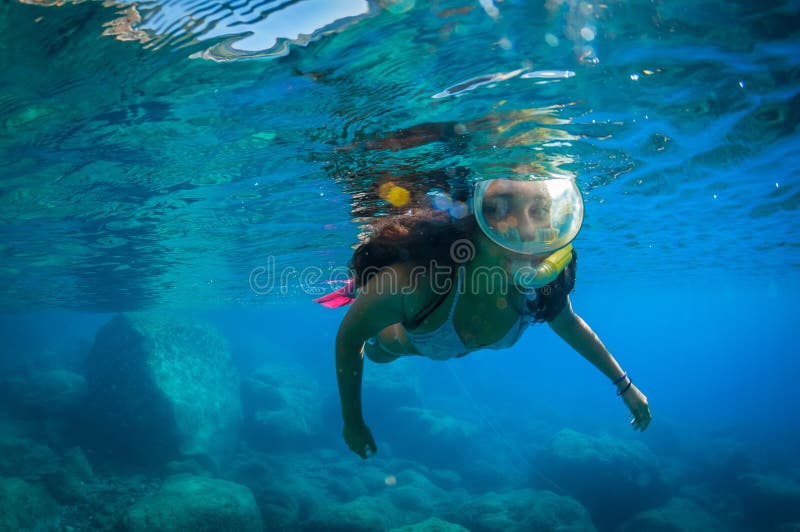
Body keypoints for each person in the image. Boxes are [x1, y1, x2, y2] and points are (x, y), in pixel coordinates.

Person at [320, 176, 652, 459]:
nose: (524, 230)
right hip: (405, 340)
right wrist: (353, 422)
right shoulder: (416, 281)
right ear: (472, 219)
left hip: (446, 334)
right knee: (379, 353)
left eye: (539, 209)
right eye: (498, 208)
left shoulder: (540, 284)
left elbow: (567, 323)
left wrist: (625, 384)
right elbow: (349, 340)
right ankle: (366, 306)